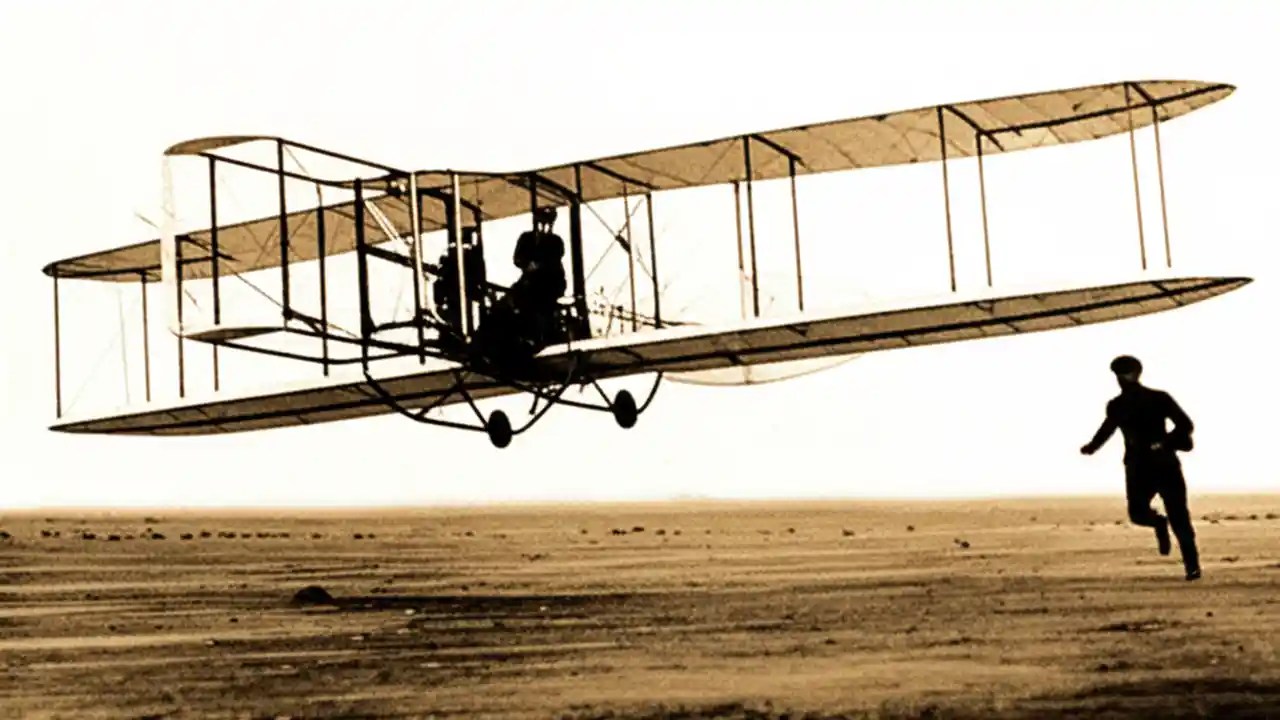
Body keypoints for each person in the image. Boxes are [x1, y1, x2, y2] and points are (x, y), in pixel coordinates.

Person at [1080, 355, 1201, 581]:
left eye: (1124, 374)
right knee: (1137, 513)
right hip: (1138, 466)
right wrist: (1092, 447)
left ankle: (1192, 566)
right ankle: (1158, 523)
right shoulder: (1116, 405)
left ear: (1136, 374)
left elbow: (1186, 424)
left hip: (1163, 464)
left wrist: (1164, 442)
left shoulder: (1159, 398)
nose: (1121, 379)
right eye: (1118, 375)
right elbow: (1108, 428)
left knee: (1179, 516)